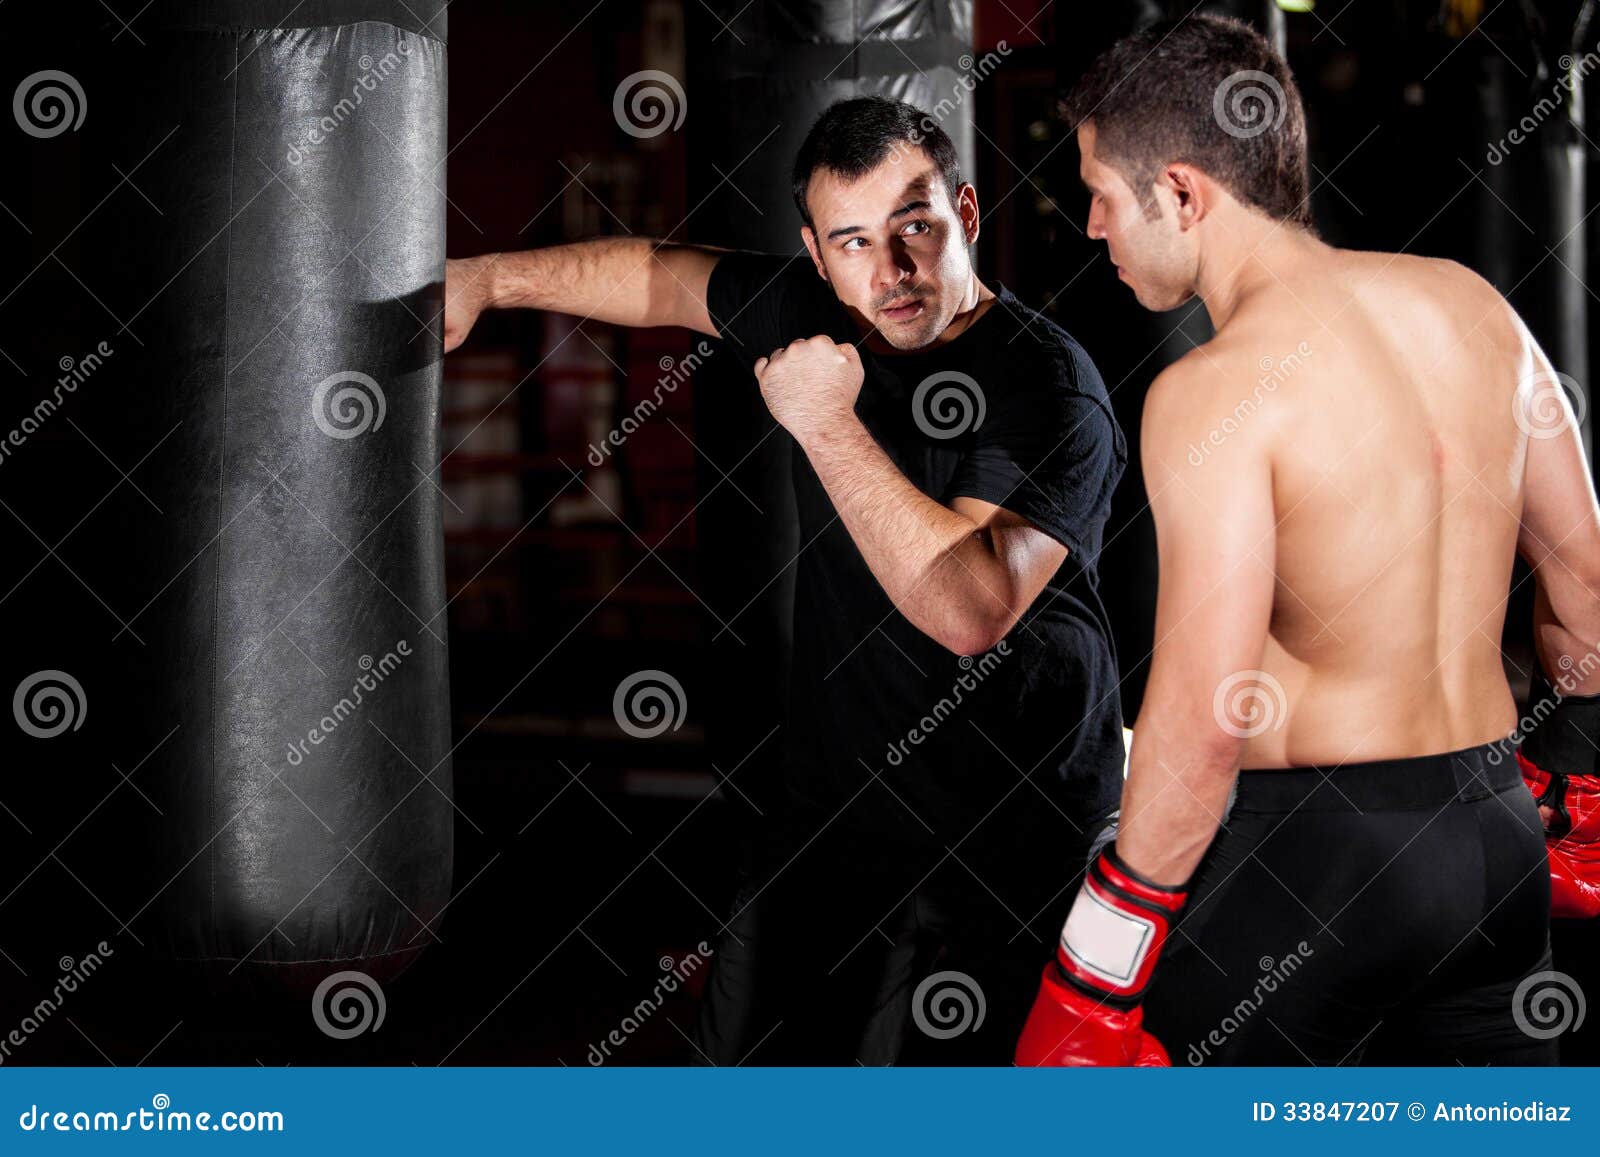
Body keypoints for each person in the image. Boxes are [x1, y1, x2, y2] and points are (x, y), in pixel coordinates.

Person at [445, 97, 1128, 1064]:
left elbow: (970, 608)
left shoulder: (1048, 385)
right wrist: (481, 279)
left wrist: (825, 422)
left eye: (916, 226)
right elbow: (658, 275)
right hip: (837, 813)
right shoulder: (814, 311)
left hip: (1012, 836)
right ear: (816, 253)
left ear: (967, 215)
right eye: (852, 241)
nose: (890, 270)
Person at [1016, 14, 1600, 1067]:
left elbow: (1199, 721)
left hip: (1320, 867)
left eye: (1102, 191)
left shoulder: (1213, 391)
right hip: (1494, 840)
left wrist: (1092, 970)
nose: (1091, 223)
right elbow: (1588, 584)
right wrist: (1579, 788)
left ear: (1183, 193)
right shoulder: (1474, 307)